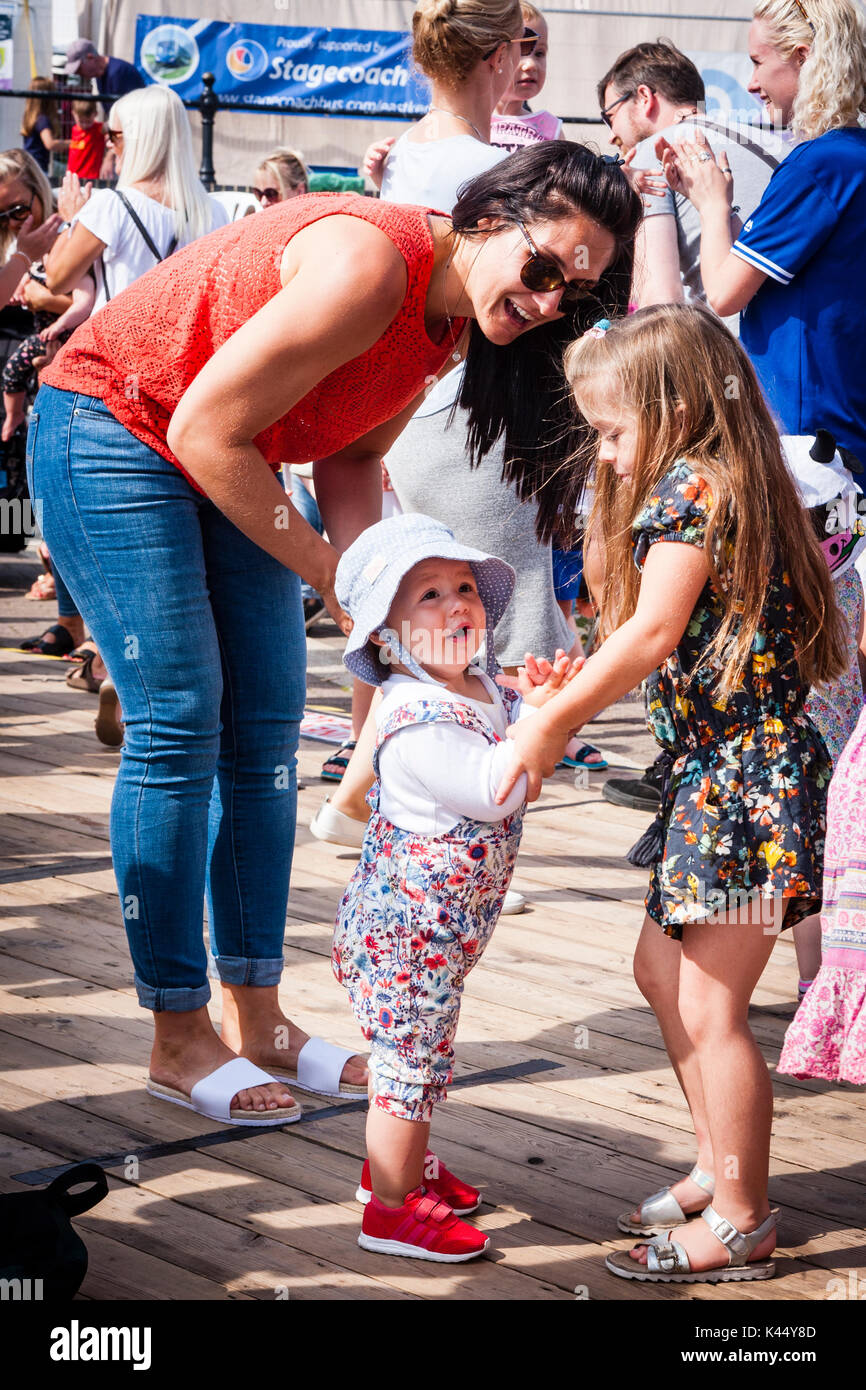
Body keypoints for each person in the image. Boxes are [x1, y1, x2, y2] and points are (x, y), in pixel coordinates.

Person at [29, 142, 637, 1127]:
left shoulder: (444, 325)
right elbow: (201, 430)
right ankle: (177, 1034)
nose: (545, 300)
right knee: (181, 723)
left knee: (266, 735)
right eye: (540, 267)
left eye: (571, 293)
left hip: (227, 451)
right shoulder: (369, 263)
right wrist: (332, 580)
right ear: (490, 215)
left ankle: (258, 1017)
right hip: (116, 428)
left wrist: (384, 600)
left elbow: (350, 460)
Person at [495, 304, 845, 1283]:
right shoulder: (721, 479)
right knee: (663, 975)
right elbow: (659, 641)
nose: (603, 457)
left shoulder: (695, 484)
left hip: (741, 780)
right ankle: (713, 1157)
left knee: (706, 1006)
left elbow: (648, 637)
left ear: (679, 406)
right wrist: (572, 684)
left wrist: (544, 727)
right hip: (717, 775)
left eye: (610, 431)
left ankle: (740, 1216)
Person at [332, 513, 576, 1260]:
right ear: (387, 636)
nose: (456, 604)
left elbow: (530, 769)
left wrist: (538, 717)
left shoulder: (475, 687)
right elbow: (499, 789)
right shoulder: (414, 715)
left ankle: (402, 1166)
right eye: (428, 595)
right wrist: (542, 720)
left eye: (464, 587)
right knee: (408, 1067)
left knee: (427, 1058)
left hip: (444, 932)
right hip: (405, 938)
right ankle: (391, 1206)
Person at [21, 84, 230, 715]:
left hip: (110, 384)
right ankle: (133, 666)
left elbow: (51, 281)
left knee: (92, 534)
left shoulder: (110, 208)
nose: (107, 146)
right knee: (170, 544)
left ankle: (110, 656)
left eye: (112, 135)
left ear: (134, 138)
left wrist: (56, 230)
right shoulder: (213, 214)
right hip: (187, 389)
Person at [657, 0, 866, 464]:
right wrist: (717, 206)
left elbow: (725, 294)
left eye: (757, 62)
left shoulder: (819, 164)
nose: (750, 83)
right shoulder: (851, 157)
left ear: (804, 57)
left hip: (808, 441)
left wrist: (713, 208)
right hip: (844, 428)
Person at [599, 40, 787, 333]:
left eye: (609, 115)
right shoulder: (781, 146)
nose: (612, 136)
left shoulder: (656, 153)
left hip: (730, 349)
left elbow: (661, 300)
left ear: (644, 96)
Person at [1, 265, 94, 440]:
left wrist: (60, 325)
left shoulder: (79, 274)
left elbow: (84, 304)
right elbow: (20, 286)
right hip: (43, 338)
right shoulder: (34, 269)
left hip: (70, 340)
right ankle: (14, 414)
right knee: (11, 373)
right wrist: (17, 294)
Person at [491, 1, 563, 151]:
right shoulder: (473, 123)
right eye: (521, 51)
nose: (531, 64)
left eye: (539, 53)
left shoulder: (550, 128)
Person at [20, 76, 69, 175]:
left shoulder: (31, 117)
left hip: (29, 165)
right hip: (38, 169)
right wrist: (73, 143)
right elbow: (50, 143)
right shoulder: (42, 120)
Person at [67, 100, 105, 182]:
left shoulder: (98, 129)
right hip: (72, 177)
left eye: (88, 122)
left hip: (90, 178)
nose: (84, 125)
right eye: (81, 121)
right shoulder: (74, 129)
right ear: (73, 113)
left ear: (95, 114)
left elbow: (111, 126)